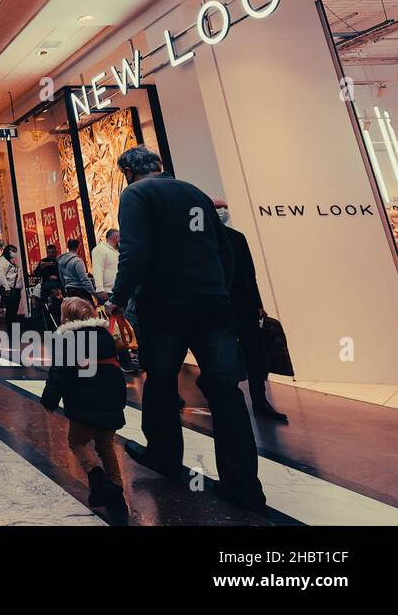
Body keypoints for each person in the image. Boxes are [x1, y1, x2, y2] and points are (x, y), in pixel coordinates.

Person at [107, 145, 266, 514]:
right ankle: (244, 487)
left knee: (161, 381)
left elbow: (136, 252)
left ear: (128, 170)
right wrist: (218, 290)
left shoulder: (136, 194)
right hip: (212, 304)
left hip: (164, 305)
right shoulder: (194, 192)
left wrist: (119, 296)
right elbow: (224, 251)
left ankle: (163, 455)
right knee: (225, 390)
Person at [41, 296, 128, 523]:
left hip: (84, 405)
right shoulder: (106, 335)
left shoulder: (68, 340)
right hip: (111, 403)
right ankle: (116, 489)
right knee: (106, 445)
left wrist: (49, 400)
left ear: (67, 317)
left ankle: (96, 476)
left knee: (77, 442)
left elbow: (59, 374)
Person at [213, 198, 288, 423]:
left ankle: (259, 399)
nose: (223, 211)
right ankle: (227, 401)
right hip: (219, 306)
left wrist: (258, 305)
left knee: (255, 353)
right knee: (222, 356)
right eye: (218, 208)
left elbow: (249, 274)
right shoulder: (204, 240)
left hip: (244, 305)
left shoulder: (238, 238)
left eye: (225, 207)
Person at [93, 230, 138, 373]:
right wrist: (100, 289)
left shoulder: (116, 251)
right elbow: (97, 269)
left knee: (123, 327)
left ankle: (127, 358)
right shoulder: (100, 250)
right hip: (109, 293)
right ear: (116, 237)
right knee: (117, 329)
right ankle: (124, 361)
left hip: (120, 292)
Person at [0, 244, 22, 327]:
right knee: (11, 312)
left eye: (15, 251)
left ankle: (14, 334)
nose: (15, 253)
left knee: (14, 312)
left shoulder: (10, 260)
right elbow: (1, 275)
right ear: (7, 251)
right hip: (10, 290)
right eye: (13, 251)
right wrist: (7, 288)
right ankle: (12, 334)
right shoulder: (2, 261)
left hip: (16, 290)